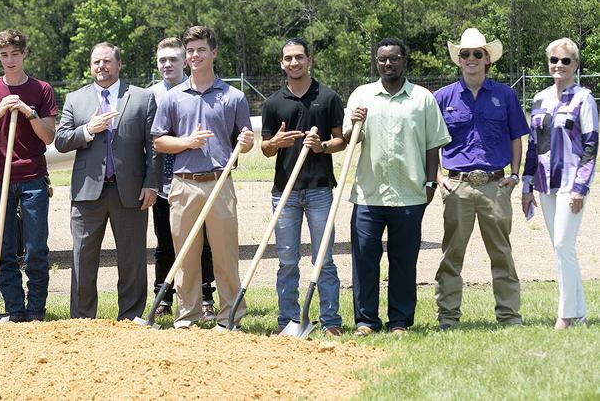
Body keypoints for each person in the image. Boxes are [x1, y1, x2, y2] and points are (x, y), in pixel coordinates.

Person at [344, 38, 450, 336]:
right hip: (368, 194)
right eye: (382, 59)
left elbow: (433, 145)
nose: (387, 63)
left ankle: (400, 321)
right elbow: (350, 139)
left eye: (394, 58)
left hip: (409, 194)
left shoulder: (422, 98)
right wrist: (354, 123)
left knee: (403, 262)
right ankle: (366, 321)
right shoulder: (362, 96)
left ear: (405, 61)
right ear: (376, 62)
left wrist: (430, 182)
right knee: (365, 259)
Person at [151, 25, 253, 329]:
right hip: (183, 185)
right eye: (191, 51)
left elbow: (243, 142)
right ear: (186, 57)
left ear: (214, 53)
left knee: (224, 255)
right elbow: (158, 141)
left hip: (220, 183)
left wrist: (246, 144)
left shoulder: (234, 97)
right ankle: (187, 316)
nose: (195, 56)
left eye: (201, 50)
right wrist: (187, 143)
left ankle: (229, 317)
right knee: (186, 257)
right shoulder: (172, 98)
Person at [55, 42, 161, 320]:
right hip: (87, 193)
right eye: (96, 62)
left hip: (130, 191)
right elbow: (62, 140)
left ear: (118, 64)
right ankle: (82, 317)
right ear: (90, 66)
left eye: (106, 61)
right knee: (82, 258)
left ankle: (131, 315)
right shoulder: (75, 99)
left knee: (133, 259)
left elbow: (154, 146)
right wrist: (88, 129)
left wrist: (152, 183)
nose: (101, 67)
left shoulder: (141, 98)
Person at [433, 28, 529, 330]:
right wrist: (439, 178)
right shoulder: (442, 97)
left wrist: (515, 175)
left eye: (477, 53)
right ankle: (448, 318)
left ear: (487, 59)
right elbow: (431, 142)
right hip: (457, 186)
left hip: (495, 185)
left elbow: (516, 138)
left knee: (501, 253)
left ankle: (509, 317)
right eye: (465, 54)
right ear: (458, 60)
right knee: (451, 255)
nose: (471, 58)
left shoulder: (505, 95)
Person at [259, 38, 346, 336]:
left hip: (320, 189)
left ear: (309, 59)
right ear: (282, 63)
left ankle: (331, 321)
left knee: (324, 258)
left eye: (299, 57)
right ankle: (288, 321)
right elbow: (265, 149)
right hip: (284, 191)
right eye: (288, 59)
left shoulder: (329, 96)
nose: (293, 63)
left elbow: (341, 140)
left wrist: (321, 146)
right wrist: (275, 143)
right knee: (286, 261)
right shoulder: (273, 103)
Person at [0, 28, 58, 322]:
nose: (9, 60)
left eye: (15, 54)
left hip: (33, 177)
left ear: (25, 54)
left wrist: (29, 113)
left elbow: (49, 138)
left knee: (36, 249)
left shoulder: (41, 89)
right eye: (4, 55)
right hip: (0, 178)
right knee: (4, 248)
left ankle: (36, 310)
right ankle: (15, 310)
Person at [522, 38, 597, 330]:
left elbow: (591, 145)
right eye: (554, 60)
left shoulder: (584, 98)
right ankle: (579, 312)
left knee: (564, 244)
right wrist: (527, 187)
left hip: (570, 183)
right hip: (545, 183)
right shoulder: (539, 99)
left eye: (566, 61)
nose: (559, 65)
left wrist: (580, 188)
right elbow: (532, 145)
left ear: (576, 65)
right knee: (561, 247)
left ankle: (565, 315)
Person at [147, 37, 218, 320]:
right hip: (163, 185)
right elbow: (148, 145)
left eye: (173, 60)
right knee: (165, 243)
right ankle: (163, 296)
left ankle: (205, 295)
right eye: (162, 60)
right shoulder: (148, 96)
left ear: (185, 61)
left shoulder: (198, 91)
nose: (167, 65)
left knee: (204, 242)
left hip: (194, 178)